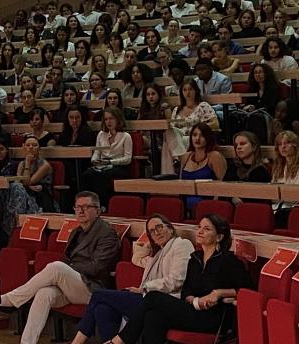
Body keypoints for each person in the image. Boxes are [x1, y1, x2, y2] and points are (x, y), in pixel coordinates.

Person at [0, 191, 121, 344]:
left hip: (93, 288)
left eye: (86, 207)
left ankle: (10, 301)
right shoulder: (76, 231)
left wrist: (70, 268)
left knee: (56, 267)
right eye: (77, 207)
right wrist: (69, 269)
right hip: (74, 286)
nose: (80, 211)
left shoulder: (107, 233)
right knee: (44, 293)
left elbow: (96, 267)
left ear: (98, 211)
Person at [109, 214, 253, 344]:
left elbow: (249, 289)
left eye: (207, 229)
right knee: (153, 316)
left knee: (153, 297)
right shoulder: (195, 258)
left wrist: (218, 293)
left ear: (219, 237)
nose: (200, 231)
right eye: (199, 227)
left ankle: (120, 340)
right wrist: (193, 300)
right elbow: (186, 290)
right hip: (192, 309)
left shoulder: (228, 260)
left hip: (213, 317)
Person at [70, 213, 194, 344]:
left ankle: (77, 342)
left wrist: (145, 288)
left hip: (164, 301)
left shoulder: (181, 245)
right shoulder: (158, 255)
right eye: (152, 232)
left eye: (159, 227)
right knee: (102, 308)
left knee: (98, 295)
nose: (156, 233)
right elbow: (137, 259)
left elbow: (176, 280)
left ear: (170, 228)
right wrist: (147, 246)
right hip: (146, 297)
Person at [80, 107, 133, 205]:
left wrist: (110, 162)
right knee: (86, 174)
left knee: (102, 176)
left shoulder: (126, 136)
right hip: (103, 164)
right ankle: (86, 204)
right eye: (106, 119)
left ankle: (103, 205)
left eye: (111, 118)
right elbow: (97, 152)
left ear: (118, 119)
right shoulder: (101, 134)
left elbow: (128, 159)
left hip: (119, 166)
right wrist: (94, 160)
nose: (109, 122)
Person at [165, 80, 218, 175]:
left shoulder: (203, 106)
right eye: (184, 90)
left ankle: (178, 161)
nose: (187, 93)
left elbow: (215, 124)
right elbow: (172, 127)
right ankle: (179, 158)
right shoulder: (177, 109)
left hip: (196, 137)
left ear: (196, 91)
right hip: (180, 136)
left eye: (190, 89)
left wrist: (196, 129)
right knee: (169, 132)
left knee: (169, 145)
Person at [179, 123, 226, 212]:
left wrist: (214, 204)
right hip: (185, 199)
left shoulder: (215, 156)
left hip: (207, 201)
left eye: (202, 136)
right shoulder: (186, 156)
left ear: (208, 138)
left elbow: (223, 183)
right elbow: (180, 182)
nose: (197, 138)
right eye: (194, 135)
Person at [271, 130, 299, 226]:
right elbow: (273, 192)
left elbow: (297, 195)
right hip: (278, 206)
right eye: (280, 144)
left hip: (294, 207)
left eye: (287, 143)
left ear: (295, 145)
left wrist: (281, 195)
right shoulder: (278, 164)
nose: (283, 147)